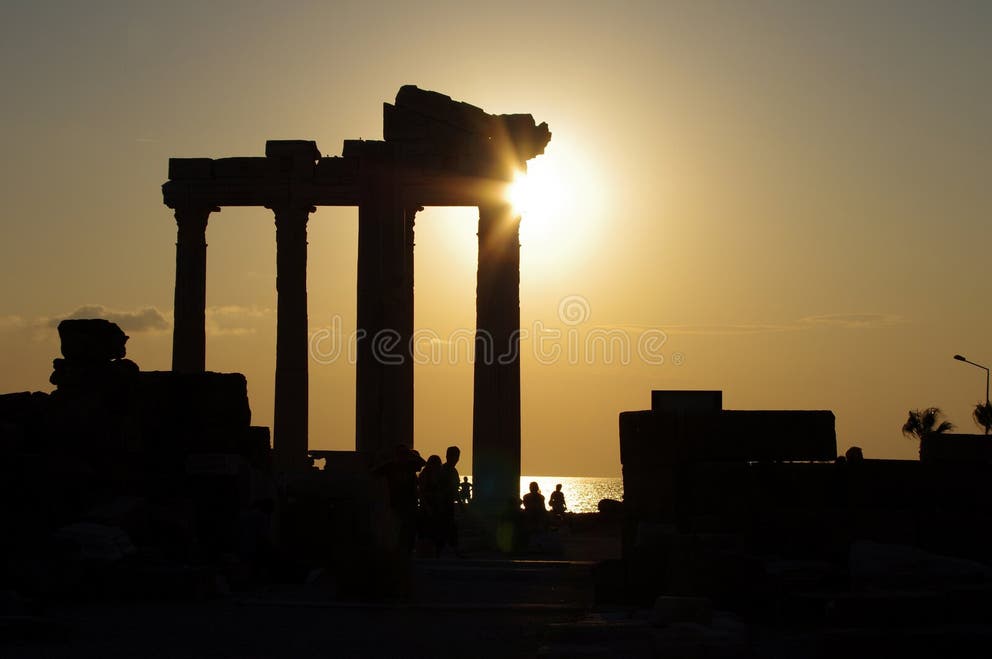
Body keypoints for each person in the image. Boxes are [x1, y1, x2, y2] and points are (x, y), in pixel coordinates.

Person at [437, 446, 463, 557]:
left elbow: (455, 489)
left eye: (457, 456)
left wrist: (460, 503)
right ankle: (446, 550)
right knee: (447, 526)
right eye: (454, 456)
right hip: (443, 504)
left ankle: (449, 549)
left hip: (448, 504)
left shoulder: (453, 471)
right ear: (447, 456)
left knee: (450, 526)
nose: (456, 459)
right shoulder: (443, 470)